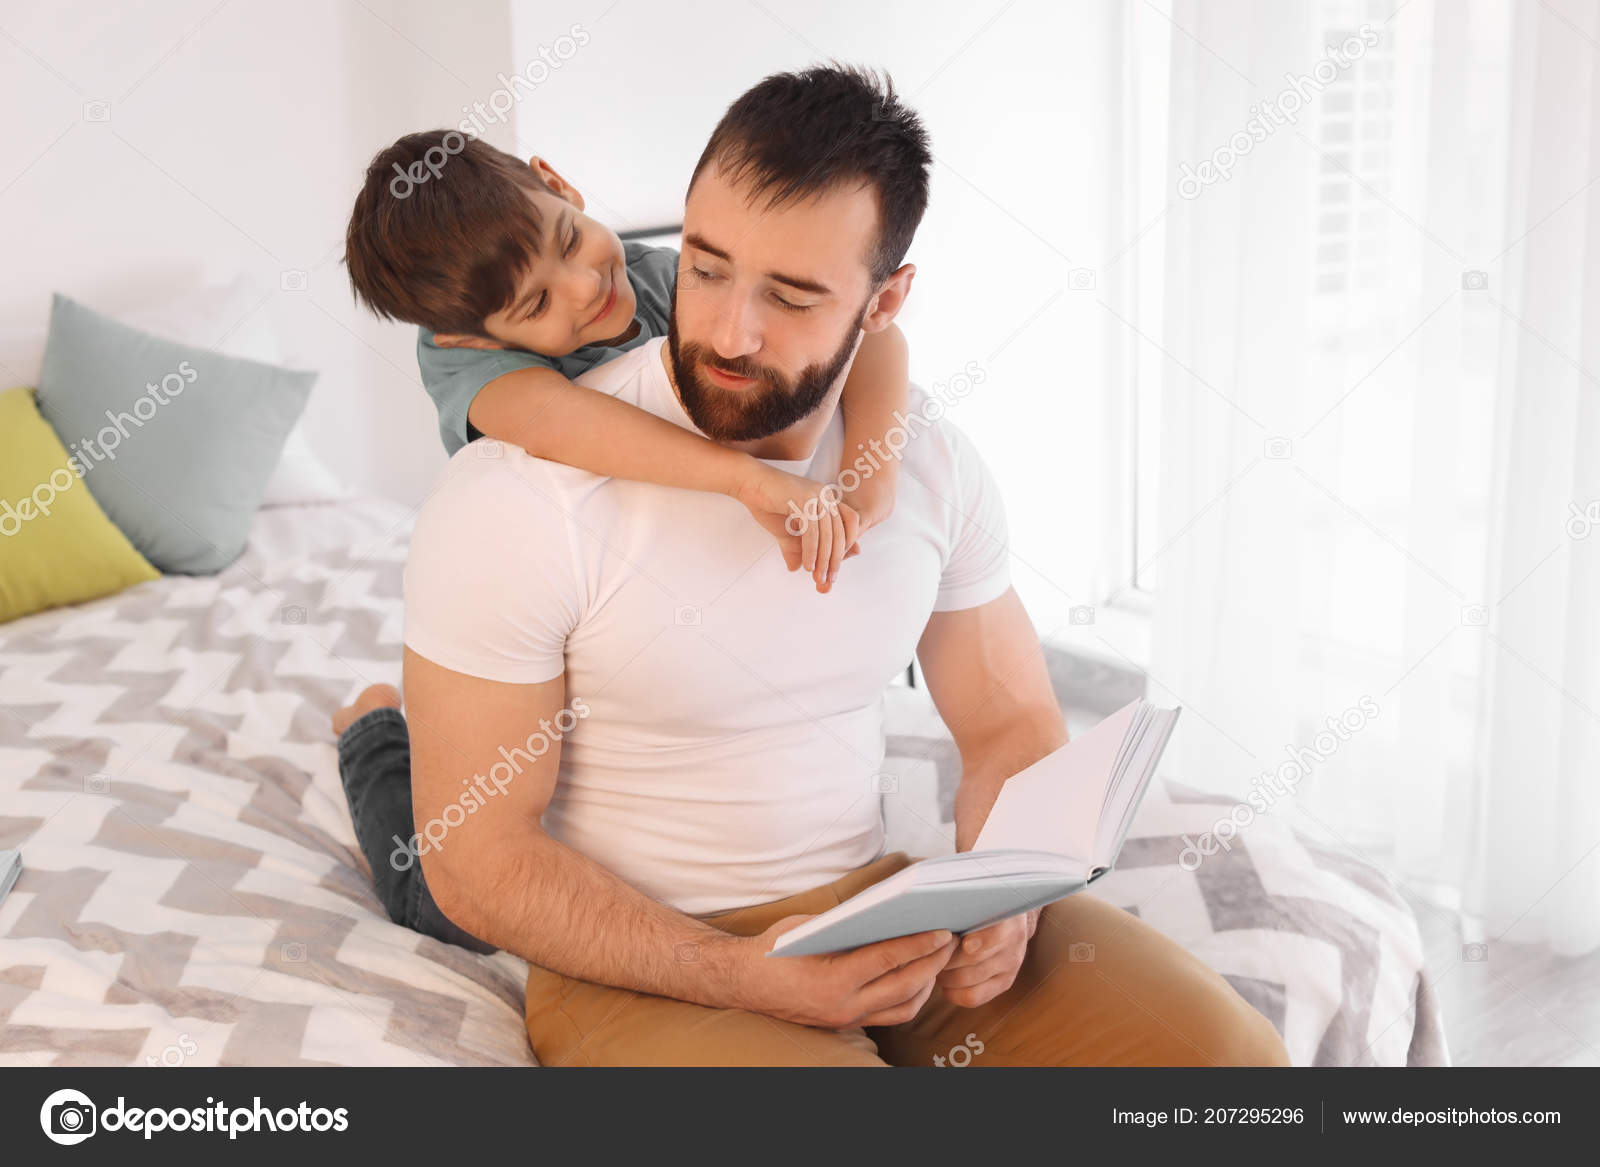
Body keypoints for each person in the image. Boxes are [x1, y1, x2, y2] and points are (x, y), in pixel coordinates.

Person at [340, 63, 1291, 1067]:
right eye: (705, 270)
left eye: (792, 297)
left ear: (884, 303)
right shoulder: (512, 491)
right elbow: (477, 867)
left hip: (876, 914)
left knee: (1234, 1062)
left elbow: (1009, 721)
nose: (729, 332)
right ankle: (368, 731)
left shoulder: (925, 458)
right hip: (648, 967)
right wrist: (745, 973)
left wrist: (1007, 892)